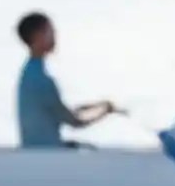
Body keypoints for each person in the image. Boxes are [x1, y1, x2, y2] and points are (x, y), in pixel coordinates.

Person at [15, 11, 118, 149]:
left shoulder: (29, 74)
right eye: (50, 31)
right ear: (38, 36)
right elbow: (75, 121)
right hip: (48, 154)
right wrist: (104, 111)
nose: (55, 36)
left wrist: (99, 105)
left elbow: (61, 112)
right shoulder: (41, 80)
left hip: (39, 151)